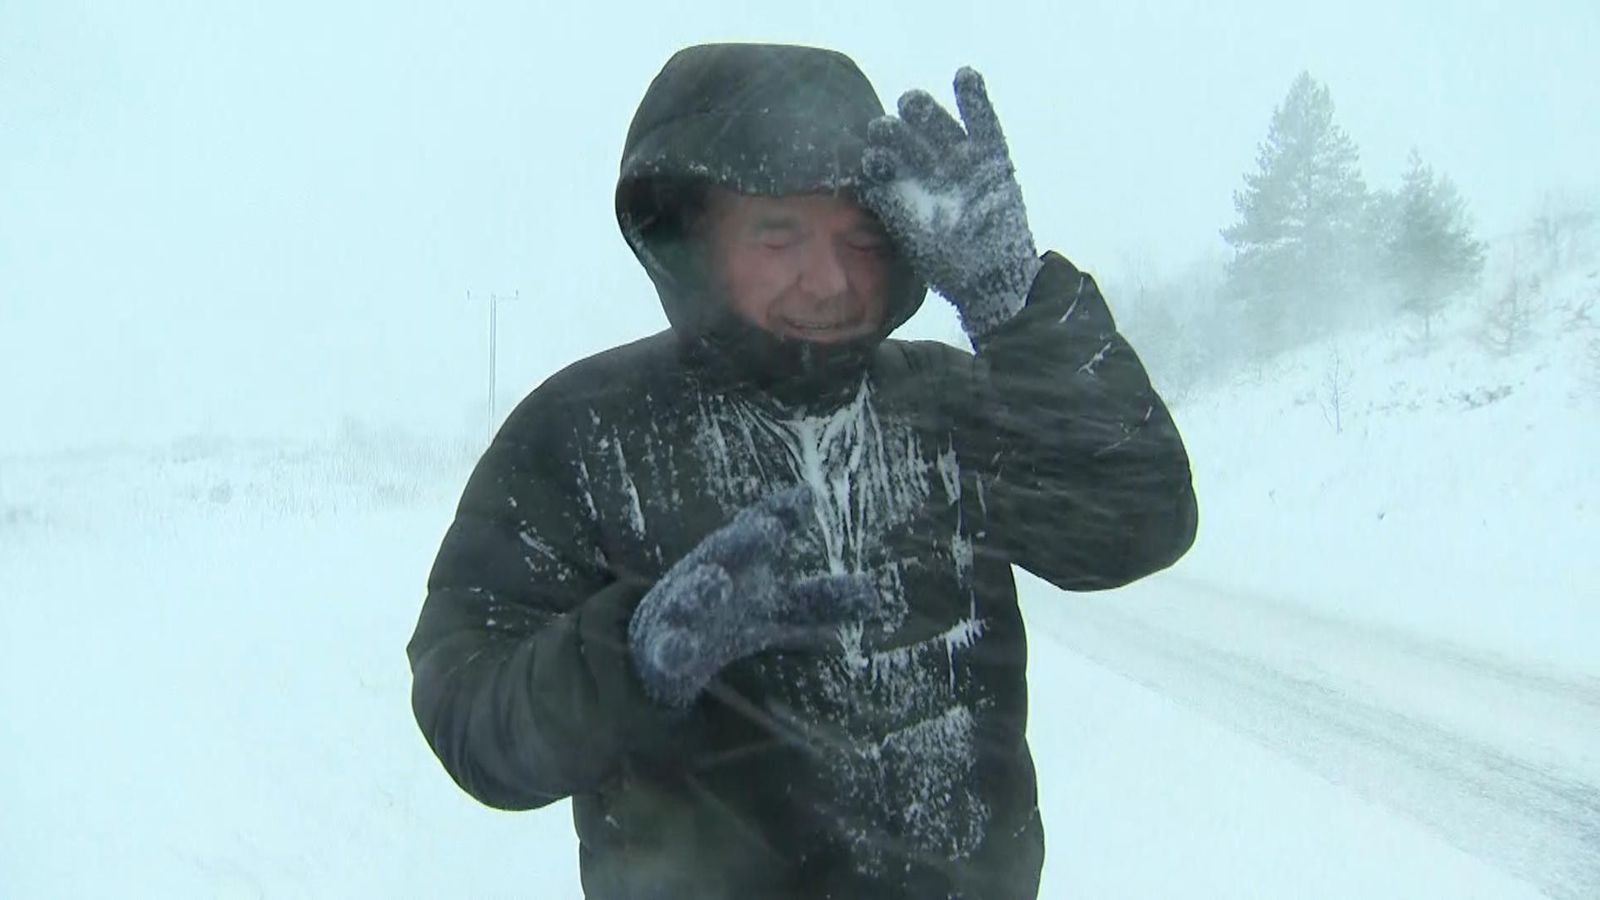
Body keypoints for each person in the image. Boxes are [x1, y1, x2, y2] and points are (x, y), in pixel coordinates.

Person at [407, 42, 1198, 900]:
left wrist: (1018, 309)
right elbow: (468, 709)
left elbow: (1135, 527)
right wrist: (626, 660)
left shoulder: (950, 405)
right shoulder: (583, 433)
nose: (828, 281)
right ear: (692, 238)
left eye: (861, 242)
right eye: (778, 235)